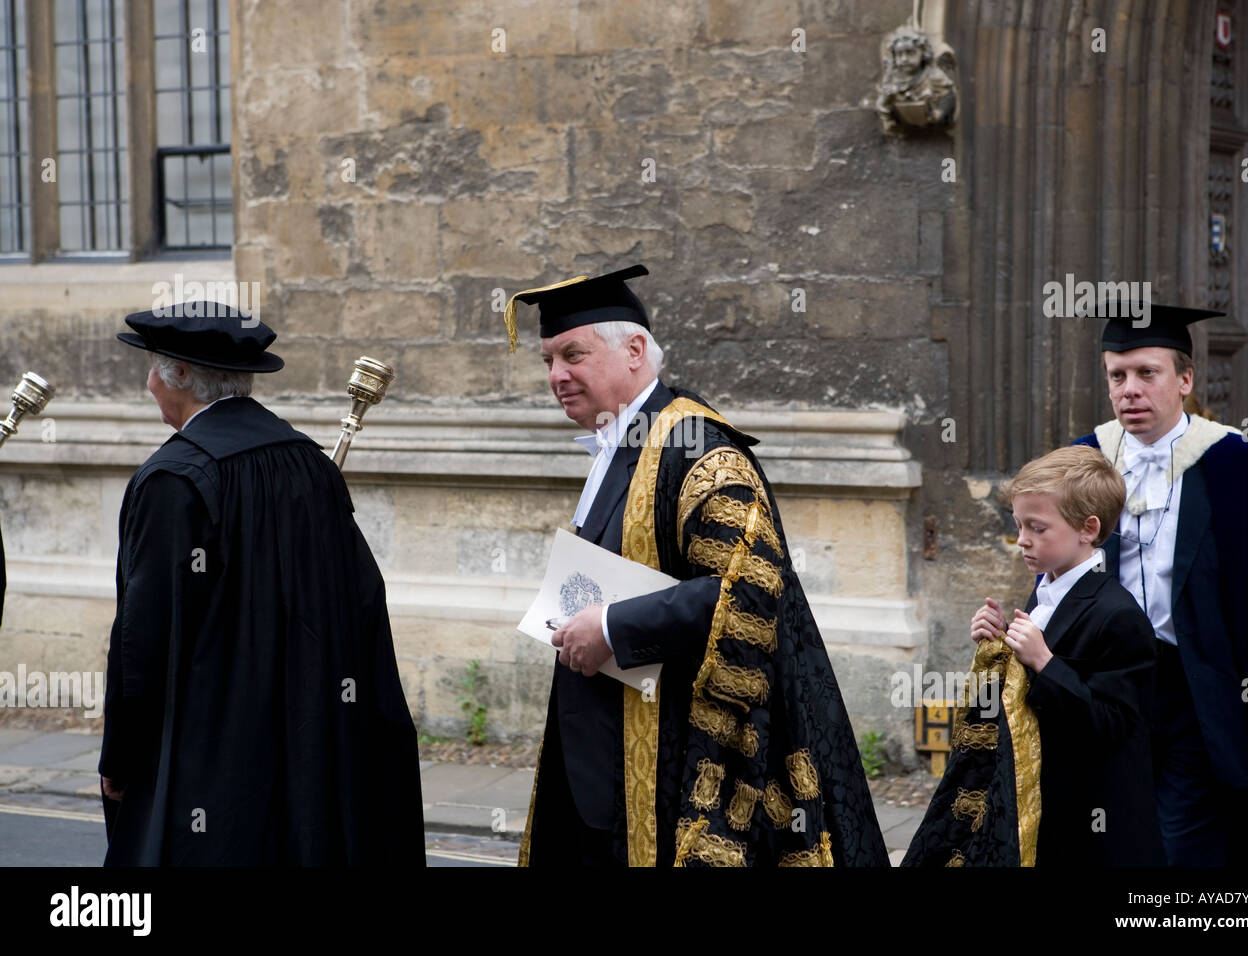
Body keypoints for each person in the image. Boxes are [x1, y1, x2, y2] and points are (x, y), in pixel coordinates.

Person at [508, 265, 888, 867]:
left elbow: (750, 590)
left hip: (681, 755)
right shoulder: (624, 442)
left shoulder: (699, 450)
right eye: (548, 360)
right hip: (608, 748)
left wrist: (610, 627)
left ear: (634, 350)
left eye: (572, 355)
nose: (556, 375)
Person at [98, 302, 425, 866]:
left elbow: (142, 638)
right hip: (309, 742)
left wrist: (121, 757)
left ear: (177, 375)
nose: (148, 382)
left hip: (207, 757)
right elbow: (364, 604)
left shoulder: (173, 479)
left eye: (151, 368)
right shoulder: (310, 463)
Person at [1071, 301, 1248, 865]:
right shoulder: (1083, 463)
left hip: (1203, 689)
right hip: (1111, 687)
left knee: (1182, 844)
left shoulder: (1240, 467)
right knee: (1113, 834)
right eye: (1117, 376)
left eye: (1148, 373)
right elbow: (1055, 571)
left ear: (1185, 379)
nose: (1130, 391)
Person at [903, 446, 1161, 866]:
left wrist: (1045, 663)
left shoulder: (1119, 615)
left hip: (1089, 822)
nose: (1022, 539)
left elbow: (1115, 727)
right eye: (1019, 524)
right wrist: (1000, 643)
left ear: (1088, 529)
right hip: (1040, 804)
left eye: (1037, 528)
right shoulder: (1048, 589)